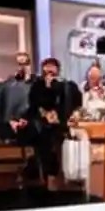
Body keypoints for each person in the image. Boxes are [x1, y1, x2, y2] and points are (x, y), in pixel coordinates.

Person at [27, 57, 81, 187]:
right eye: (47, 66)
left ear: (58, 69)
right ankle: (47, 175)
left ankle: (65, 175)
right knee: (44, 137)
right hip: (42, 122)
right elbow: (34, 104)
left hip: (63, 121)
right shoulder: (37, 85)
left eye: (52, 66)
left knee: (61, 136)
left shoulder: (68, 85)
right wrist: (47, 88)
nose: (49, 69)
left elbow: (76, 103)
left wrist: (70, 115)